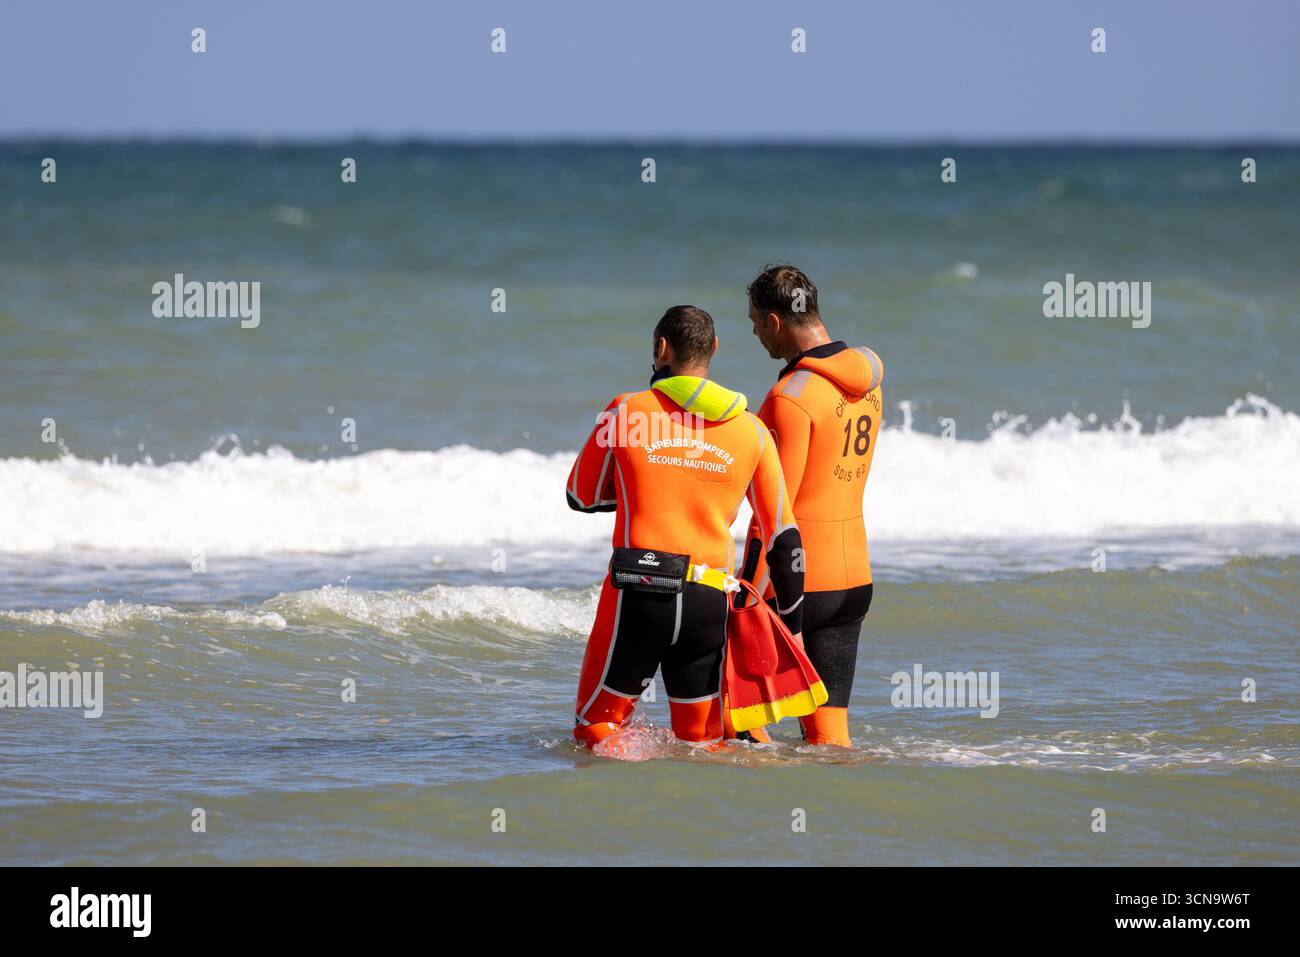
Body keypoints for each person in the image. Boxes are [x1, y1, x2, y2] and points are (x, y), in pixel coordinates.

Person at [566, 305, 805, 749]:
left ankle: (628, 788)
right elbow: (784, 540)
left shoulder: (626, 410)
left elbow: (581, 496)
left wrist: (645, 479)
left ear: (661, 349)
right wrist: (793, 628)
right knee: (700, 741)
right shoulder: (753, 431)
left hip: (639, 589)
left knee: (597, 727)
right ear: (713, 348)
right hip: (708, 599)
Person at [741, 265, 883, 747]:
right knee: (829, 735)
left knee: (737, 718)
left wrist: (748, 591)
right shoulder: (868, 381)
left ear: (775, 321)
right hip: (853, 580)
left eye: (756, 322)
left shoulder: (790, 397)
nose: (756, 334)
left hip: (799, 584)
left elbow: (775, 511)